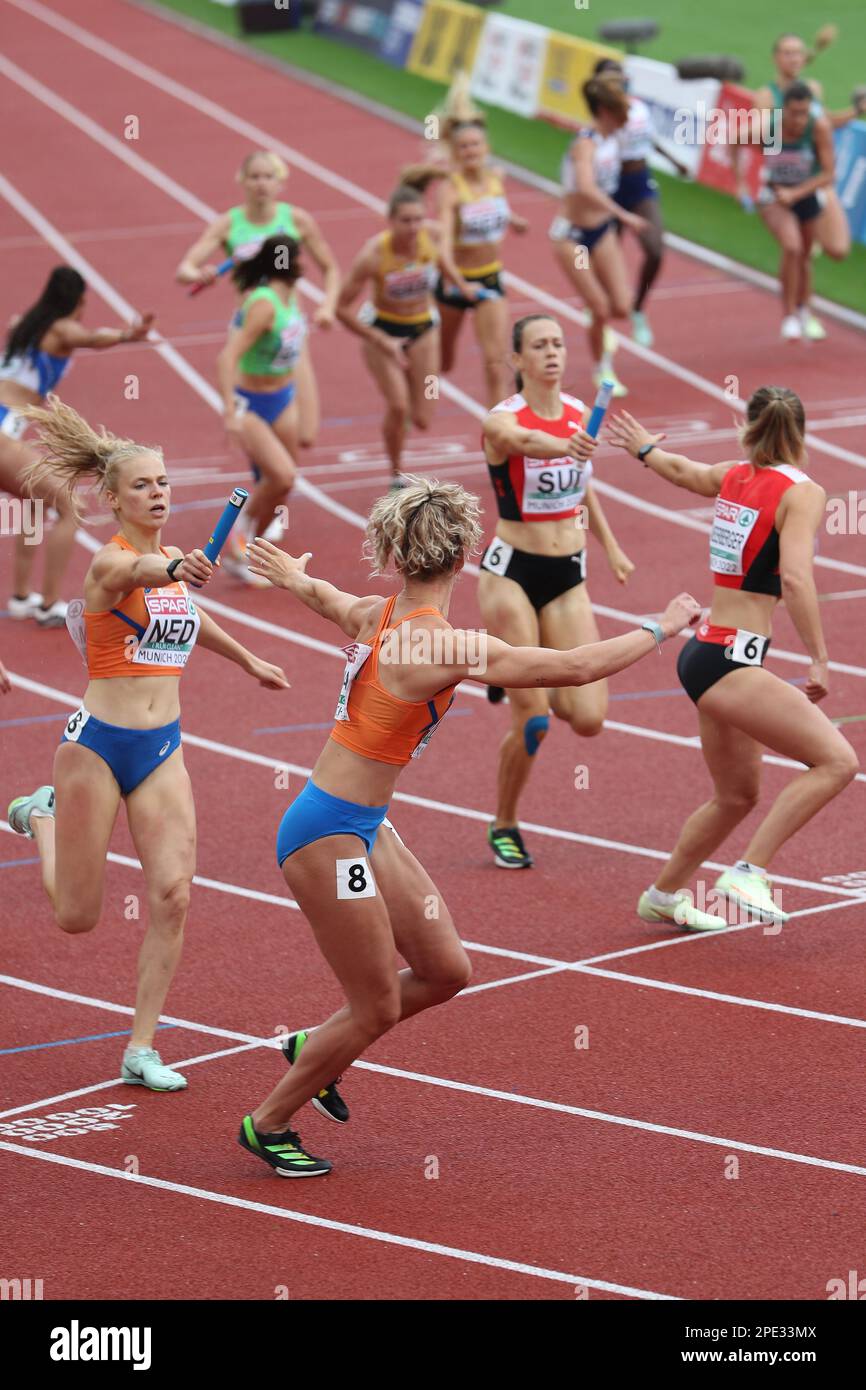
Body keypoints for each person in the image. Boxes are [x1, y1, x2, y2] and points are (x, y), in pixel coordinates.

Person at [235, 478, 701, 1175]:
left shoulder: (376, 613)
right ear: (466, 557)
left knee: (447, 970)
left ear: (398, 554)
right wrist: (660, 625)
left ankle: (316, 1047)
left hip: (361, 823)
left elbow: (325, 598)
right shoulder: (440, 647)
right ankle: (268, 1121)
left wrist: (295, 576)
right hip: (326, 834)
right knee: (375, 1007)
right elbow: (572, 667)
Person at [7, 398, 289, 1090]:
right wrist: (173, 571)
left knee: (173, 894)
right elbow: (145, 580)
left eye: (163, 482)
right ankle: (40, 815)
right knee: (77, 917)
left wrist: (249, 659)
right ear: (111, 499)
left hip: (162, 746)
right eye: (142, 485)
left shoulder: (170, 564)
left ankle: (140, 1048)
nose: (158, 493)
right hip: (97, 747)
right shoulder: (113, 562)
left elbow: (186, 611)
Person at [607, 387, 858, 932]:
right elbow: (794, 576)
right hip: (731, 660)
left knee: (736, 795)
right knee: (837, 763)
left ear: (749, 427)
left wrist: (644, 449)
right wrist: (819, 657)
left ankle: (664, 894)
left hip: (705, 653)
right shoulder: (803, 491)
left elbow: (680, 470)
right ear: (800, 432)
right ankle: (749, 872)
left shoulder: (734, 476)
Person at [478, 314, 634, 869]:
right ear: (517, 360)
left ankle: (517, 676)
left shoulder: (576, 415)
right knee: (536, 718)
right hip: (510, 573)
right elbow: (523, 442)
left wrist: (611, 546)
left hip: (568, 572)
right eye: (538, 345)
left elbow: (581, 490)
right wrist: (567, 444)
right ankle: (504, 822)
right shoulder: (503, 420)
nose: (552, 352)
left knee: (588, 717)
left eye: (559, 344)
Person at [1, 266, 152, 626]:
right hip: (3, 426)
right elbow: (92, 337)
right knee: (70, 504)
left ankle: (22, 597)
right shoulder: (61, 328)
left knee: (34, 501)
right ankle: (49, 602)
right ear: (79, 301)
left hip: (7, 424)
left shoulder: (25, 324)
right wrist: (129, 335)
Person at [176, 150, 339, 448]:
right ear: (243, 181)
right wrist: (200, 274)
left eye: (268, 176)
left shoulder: (297, 220)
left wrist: (328, 306)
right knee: (254, 433)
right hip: (249, 323)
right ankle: (265, 473)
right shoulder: (229, 223)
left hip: (288, 326)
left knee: (307, 436)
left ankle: (275, 475)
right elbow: (185, 269)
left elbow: (330, 268)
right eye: (254, 177)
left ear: (280, 182)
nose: (261, 183)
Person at [336, 174, 480, 485]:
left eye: (418, 219)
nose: (413, 227)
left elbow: (444, 260)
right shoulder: (373, 254)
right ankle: (396, 472)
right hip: (383, 332)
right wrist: (379, 338)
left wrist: (462, 286)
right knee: (398, 405)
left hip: (424, 331)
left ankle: (402, 447)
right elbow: (340, 308)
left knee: (423, 419)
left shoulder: (431, 236)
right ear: (389, 221)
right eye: (405, 221)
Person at [750, 30, 866, 335]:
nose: (794, 58)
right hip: (780, 185)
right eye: (787, 53)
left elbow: (825, 122)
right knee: (795, 248)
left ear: (805, 57)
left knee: (838, 249)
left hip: (816, 182)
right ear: (776, 58)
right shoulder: (765, 97)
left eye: (798, 53)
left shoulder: (812, 89)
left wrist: (856, 110)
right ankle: (798, 312)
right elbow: (766, 139)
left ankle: (800, 307)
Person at [428, 75, 529, 405]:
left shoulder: (496, 179)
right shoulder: (451, 190)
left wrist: (514, 221)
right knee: (444, 360)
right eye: (464, 147)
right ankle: (417, 378)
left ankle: (498, 426)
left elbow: (494, 211)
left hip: (489, 277)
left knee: (495, 360)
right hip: (454, 282)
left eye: (476, 145)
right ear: (455, 152)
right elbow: (442, 245)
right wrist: (457, 281)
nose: (471, 150)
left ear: (486, 149)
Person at [550, 74, 648, 397]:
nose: (627, 121)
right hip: (573, 237)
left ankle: (598, 318)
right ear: (606, 112)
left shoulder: (613, 140)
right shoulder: (585, 144)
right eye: (622, 114)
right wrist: (625, 215)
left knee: (623, 306)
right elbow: (587, 187)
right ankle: (602, 367)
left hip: (601, 230)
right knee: (601, 307)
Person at [215, 236, 303, 584]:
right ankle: (236, 538)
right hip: (250, 403)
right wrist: (228, 412)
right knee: (283, 476)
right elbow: (226, 357)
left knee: (282, 487)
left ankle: (252, 549)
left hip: (282, 395)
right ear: (293, 264)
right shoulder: (264, 304)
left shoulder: (289, 297)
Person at [591, 57, 688, 348]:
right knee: (609, 256)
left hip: (640, 184)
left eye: (620, 77)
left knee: (655, 250)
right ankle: (598, 308)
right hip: (610, 187)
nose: (618, 83)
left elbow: (648, 137)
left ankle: (638, 309)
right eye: (610, 79)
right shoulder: (599, 121)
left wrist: (674, 161)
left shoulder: (639, 107)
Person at [753, 83, 839, 341]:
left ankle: (805, 310)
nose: (799, 119)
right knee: (792, 247)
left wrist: (797, 193)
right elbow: (736, 141)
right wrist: (740, 182)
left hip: (804, 195)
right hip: (775, 197)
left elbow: (828, 173)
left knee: (804, 256)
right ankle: (789, 314)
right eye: (794, 113)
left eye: (804, 112)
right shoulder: (771, 127)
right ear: (784, 110)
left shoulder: (818, 128)